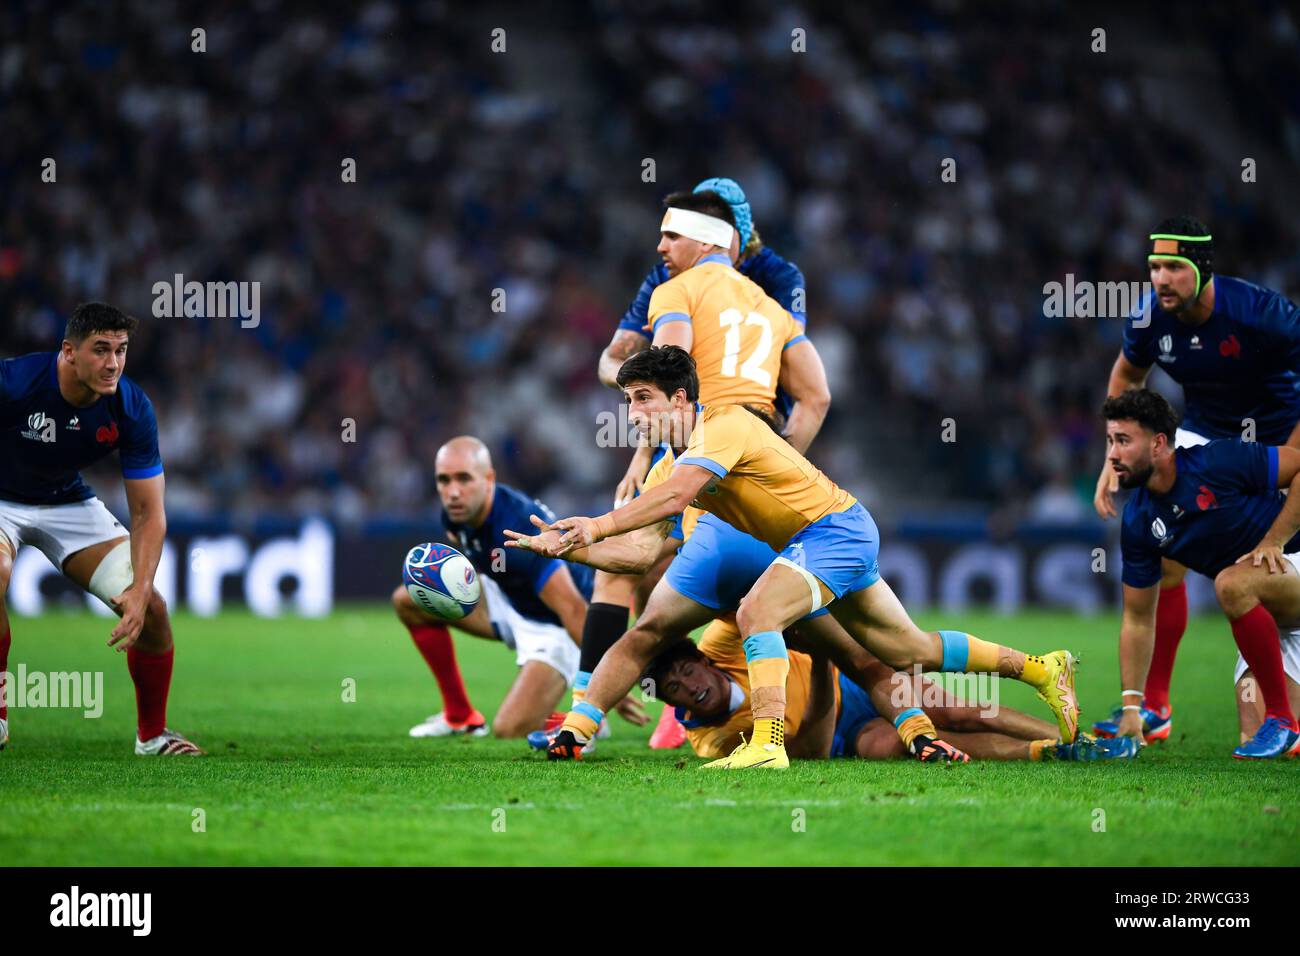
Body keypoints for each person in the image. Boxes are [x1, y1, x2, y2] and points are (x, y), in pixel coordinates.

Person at [508, 346, 1080, 769]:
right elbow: (639, 553)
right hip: (826, 543)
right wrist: (574, 545)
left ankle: (767, 744)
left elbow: (679, 497)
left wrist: (597, 521)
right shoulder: (666, 466)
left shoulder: (723, 424)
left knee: (758, 612)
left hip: (836, 531)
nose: (632, 413)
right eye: (628, 401)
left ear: (680, 398)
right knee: (911, 648)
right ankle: (1040, 668)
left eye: (642, 399)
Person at [578, 181, 831, 751]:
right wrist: (784, 462)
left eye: (671, 234)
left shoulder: (715, 282)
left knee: (641, 574)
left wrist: (649, 450)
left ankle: (586, 715)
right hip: (741, 443)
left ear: (714, 234)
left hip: (704, 445)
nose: (660, 246)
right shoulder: (764, 293)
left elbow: (660, 370)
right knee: (851, 628)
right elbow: (815, 395)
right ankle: (917, 716)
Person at [1092, 217, 1300, 740]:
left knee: (1268, 538)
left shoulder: (1262, 314)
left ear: (1202, 271)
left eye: (1172, 268)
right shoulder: (1148, 321)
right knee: (1162, 549)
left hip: (1278, 437)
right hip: (1204, 436)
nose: (1160, 279)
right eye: (1153, 268)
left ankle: (1267, 588)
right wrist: (1109, 457)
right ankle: (1155, 704)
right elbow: (1125, 378)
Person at [0, 302, 200, 755]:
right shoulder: (14, 383)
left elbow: (149, 513)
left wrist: (141, 587)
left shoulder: (130, 407)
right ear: (69, 352)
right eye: (101, 350)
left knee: (152, 610)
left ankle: (152, 736)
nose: (113, 363)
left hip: (66, 502)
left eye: (121, 350)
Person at [392, 436, 645, 740]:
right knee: (407, 599)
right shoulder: (456, 513)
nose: (453, 492)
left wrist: (605, 684)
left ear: (489, 479)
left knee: (509, 728)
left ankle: (575, 719)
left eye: (463, 479)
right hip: (511, 601)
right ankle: (460, 717)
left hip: (558, 624)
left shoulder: (515, 529)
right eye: (444, 481)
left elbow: (572, 608)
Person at [1101, 388, 1300, 757]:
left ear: (1159, 443)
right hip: (1274, 612)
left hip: (1291, 564)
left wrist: (1275, 540)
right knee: (1252, 737)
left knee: (1230, 582)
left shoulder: (1219, 460)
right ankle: (1282, 722)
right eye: (1111, 441)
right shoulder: (1139, 520)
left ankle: (1283, 720)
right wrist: (1132, 708)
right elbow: (1138, 619)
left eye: (1123, 441)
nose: (1112, 454)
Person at [645, 636, 1137, 762]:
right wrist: (820, 661)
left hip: (855, 682)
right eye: (676, 689)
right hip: (831, 727)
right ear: (672, 704)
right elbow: (812, 749)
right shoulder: (712, 741)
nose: (691, 686)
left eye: (688, 671)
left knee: (952, 708)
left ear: (704, 660)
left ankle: (1078, 737)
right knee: (898, 744)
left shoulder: (722, 644)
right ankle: (1046, 751)